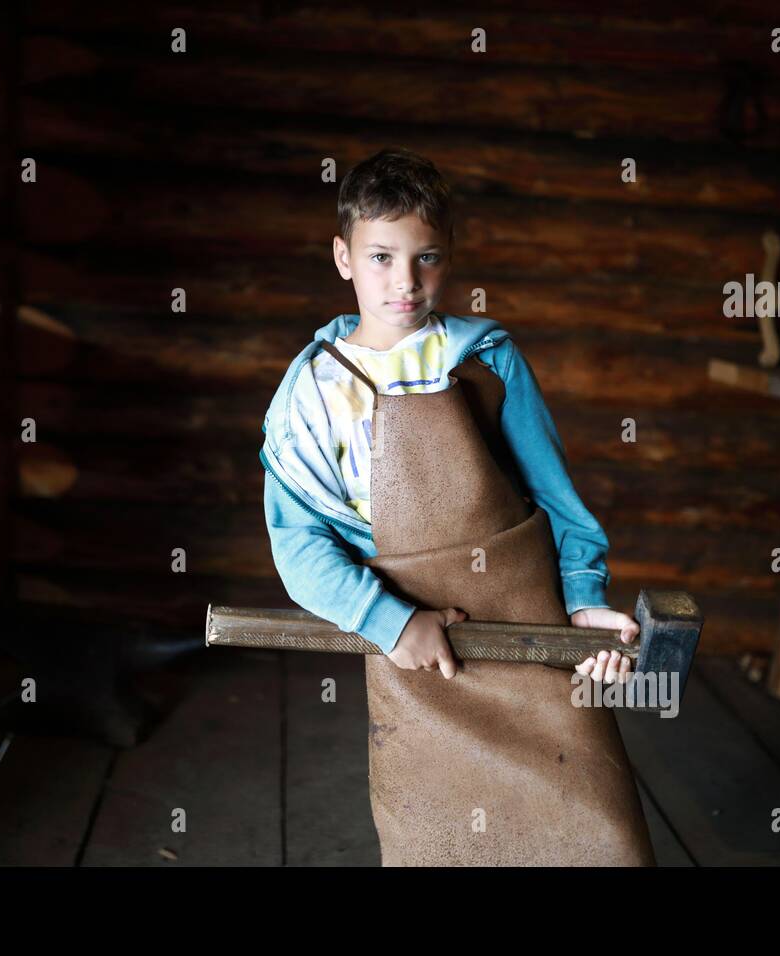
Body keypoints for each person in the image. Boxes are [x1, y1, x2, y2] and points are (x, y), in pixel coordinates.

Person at [259, 147, 655, 865]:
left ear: (450, 258)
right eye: (381, 257)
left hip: (524, 616)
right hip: (414, 656)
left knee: (595, 831)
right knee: (436, 841)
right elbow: (298, 544)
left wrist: (583, 599)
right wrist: (390, 620)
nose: (404, 282)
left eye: (427, 258)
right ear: (343, 257)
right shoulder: (309, 398)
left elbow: (555, 497)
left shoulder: (484, 358)